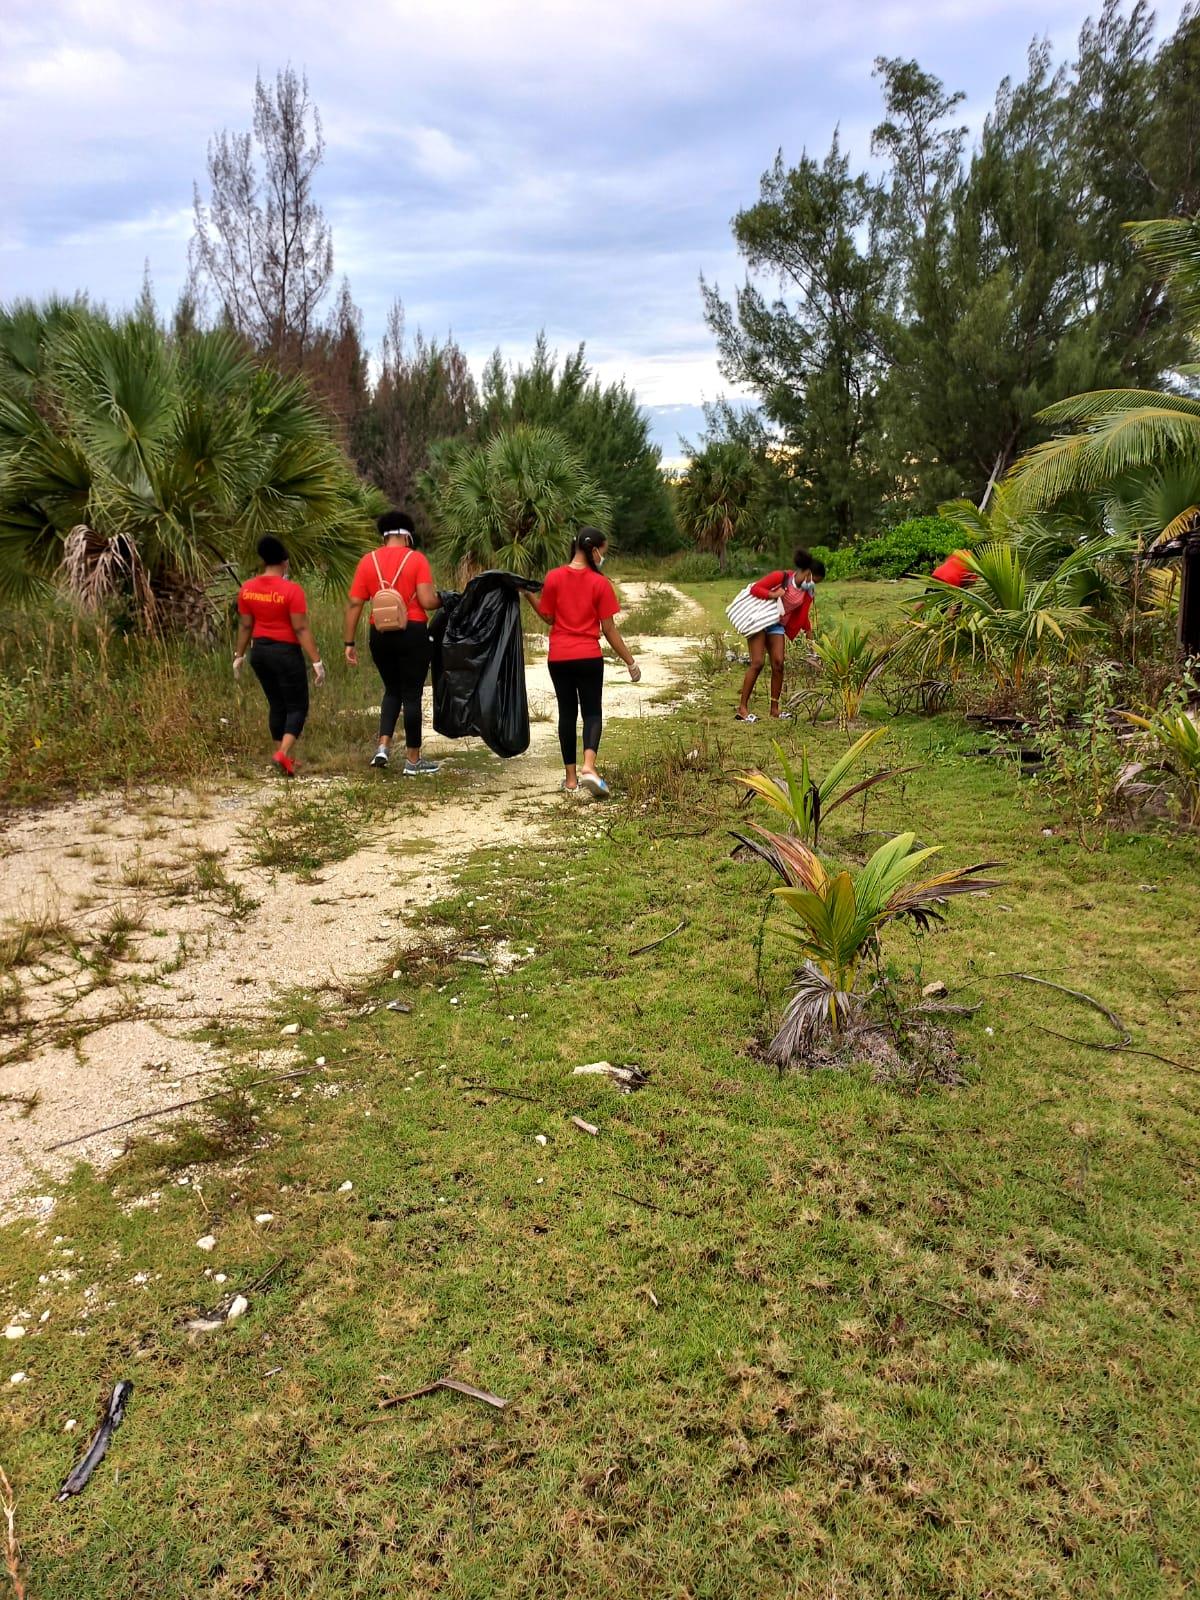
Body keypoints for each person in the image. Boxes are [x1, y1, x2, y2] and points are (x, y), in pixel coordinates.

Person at [530, 527, 640, 798]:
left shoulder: (553, 577)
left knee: (566, 714)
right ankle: (589, 768)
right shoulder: (600, 584)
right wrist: (630, 662)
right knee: (591, 712)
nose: (602, 557)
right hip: (588, 656)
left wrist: (527, 594)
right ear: (593, 550)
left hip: (559, 657)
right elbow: (610, 629)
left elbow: (547, 617)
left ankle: (570, 779)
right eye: (602, 552)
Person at [343, 511, 442, 776]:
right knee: (411, 694)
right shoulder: (416, 559)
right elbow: (427, 600)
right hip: (413, 631)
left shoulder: (367, 561)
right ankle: (413, 760)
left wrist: (349, 641)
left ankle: (382, 747)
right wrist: (442, 599)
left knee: (391, 690)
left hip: (380, 634)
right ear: (405, 534)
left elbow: (355, 603)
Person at [233, 535, 324, 777]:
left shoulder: (247, 588)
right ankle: (282, 752)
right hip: (285, 653)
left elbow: (244, 626)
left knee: (276, 704)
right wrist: (316, 661)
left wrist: (238, 655)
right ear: (284, 562)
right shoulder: (291, 590)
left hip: (260, 653)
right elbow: (300, 628)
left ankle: (283, 757)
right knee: (298, 706)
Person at [735, 548, 825, 723]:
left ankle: (774, 709)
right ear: (807, 573)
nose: (813, 584)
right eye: (814, 580)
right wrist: (773, 594)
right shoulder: (781, 577)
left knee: (778, 664)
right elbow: (756, 589)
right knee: (758, 662)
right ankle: (743, 708)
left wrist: (809, 634)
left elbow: (802, 615)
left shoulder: (806, 592)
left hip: (777, 625)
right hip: (760, 621)